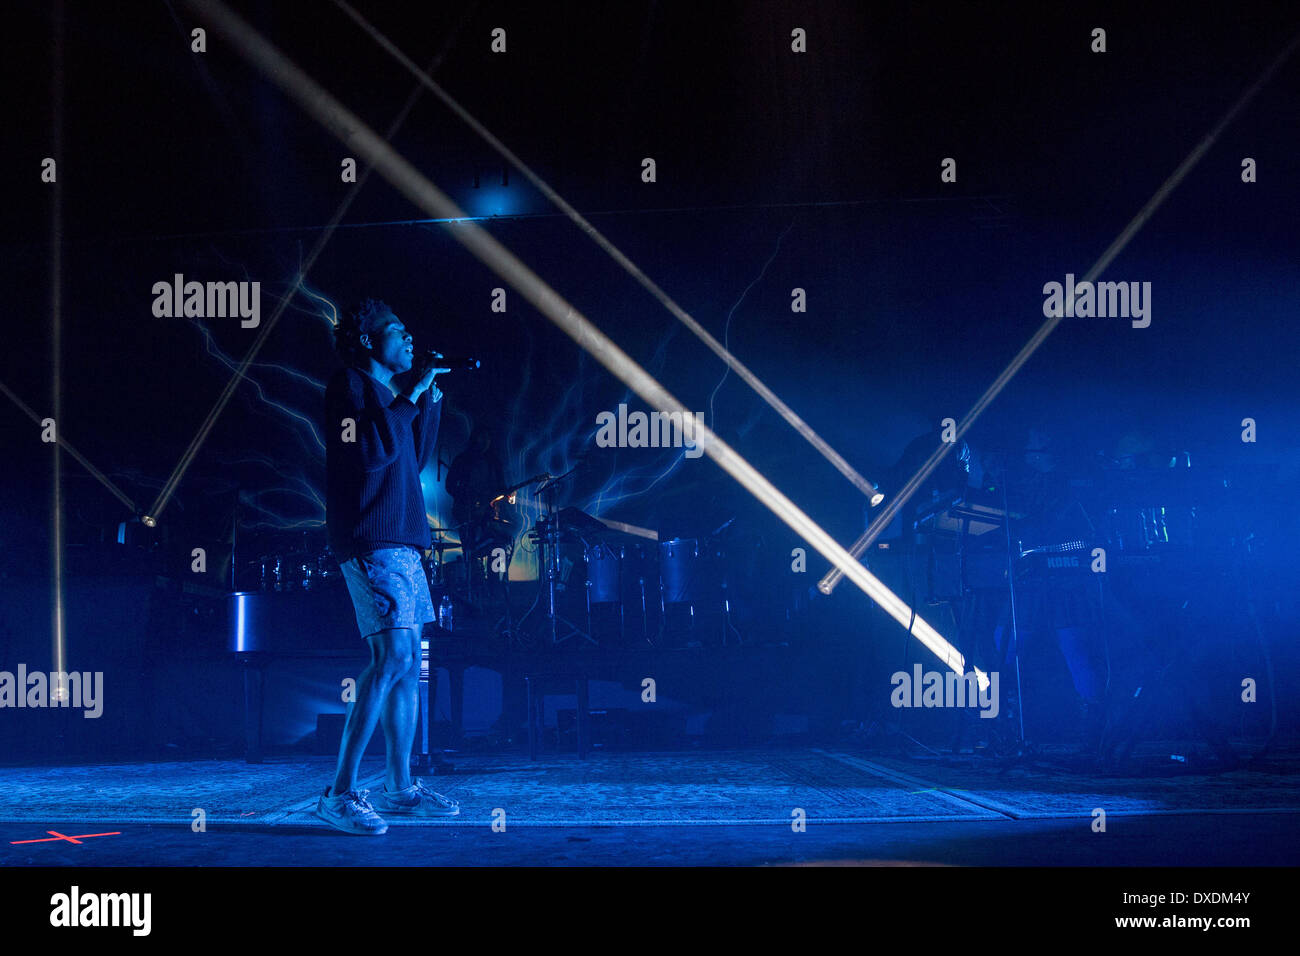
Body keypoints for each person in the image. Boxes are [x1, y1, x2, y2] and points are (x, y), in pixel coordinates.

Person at [315, 298, 460, 835]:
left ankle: (400, 790)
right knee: (392, 655)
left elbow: (411, 456)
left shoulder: (390, 396)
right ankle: (340, 794)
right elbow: (370, 454)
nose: (409, 340)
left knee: (408, 667)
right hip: (370, 537)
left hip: (403, 539)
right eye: (398, 332)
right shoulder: (348, 387)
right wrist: (410, 396)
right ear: (369, 342)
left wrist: (429, 401)